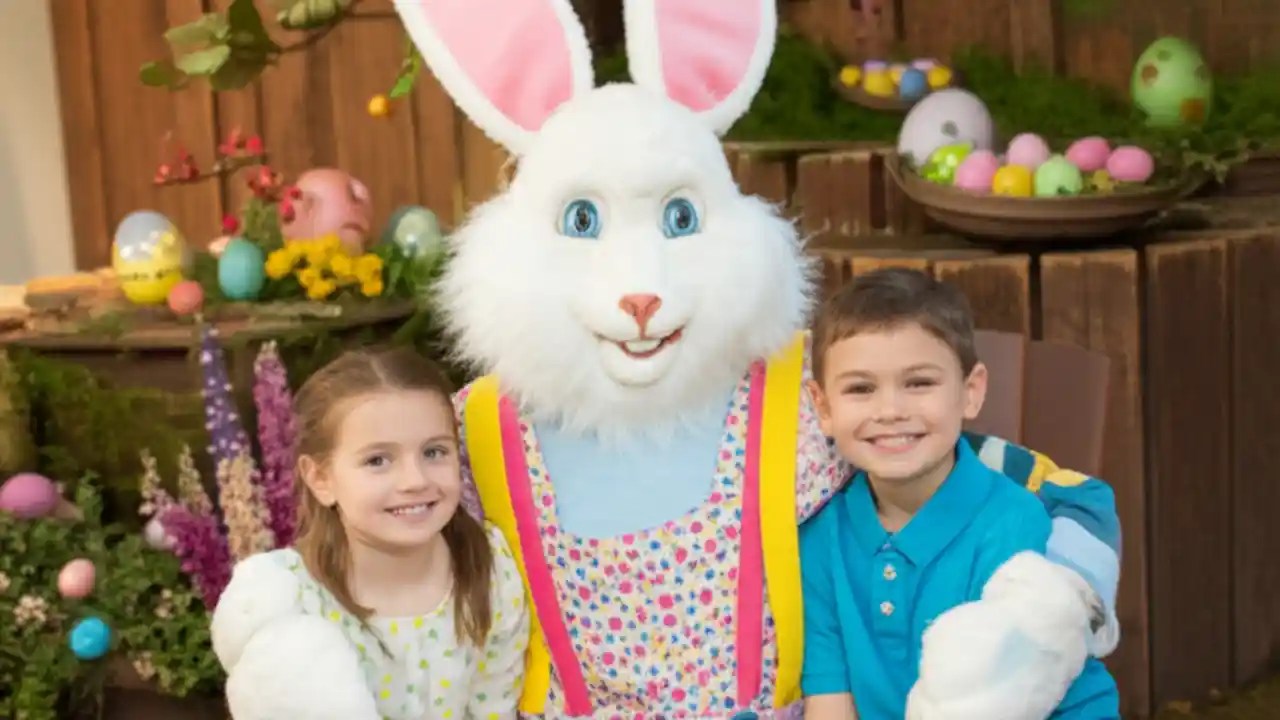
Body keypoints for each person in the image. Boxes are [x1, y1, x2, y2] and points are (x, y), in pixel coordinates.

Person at [800, 268, 1120, 719]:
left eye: (919, 383)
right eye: (861, 388)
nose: (890, 410)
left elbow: (1001, 699)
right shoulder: (821, 537)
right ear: (824, 408)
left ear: (971, 392)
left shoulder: (1011, 520)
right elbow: (831, 699)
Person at [209, 347, 529, 720]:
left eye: (434, 452)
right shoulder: (290, 598)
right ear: (321, 479)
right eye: (378, 460)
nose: (415, 480)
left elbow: (494, 707)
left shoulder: (488, 570)